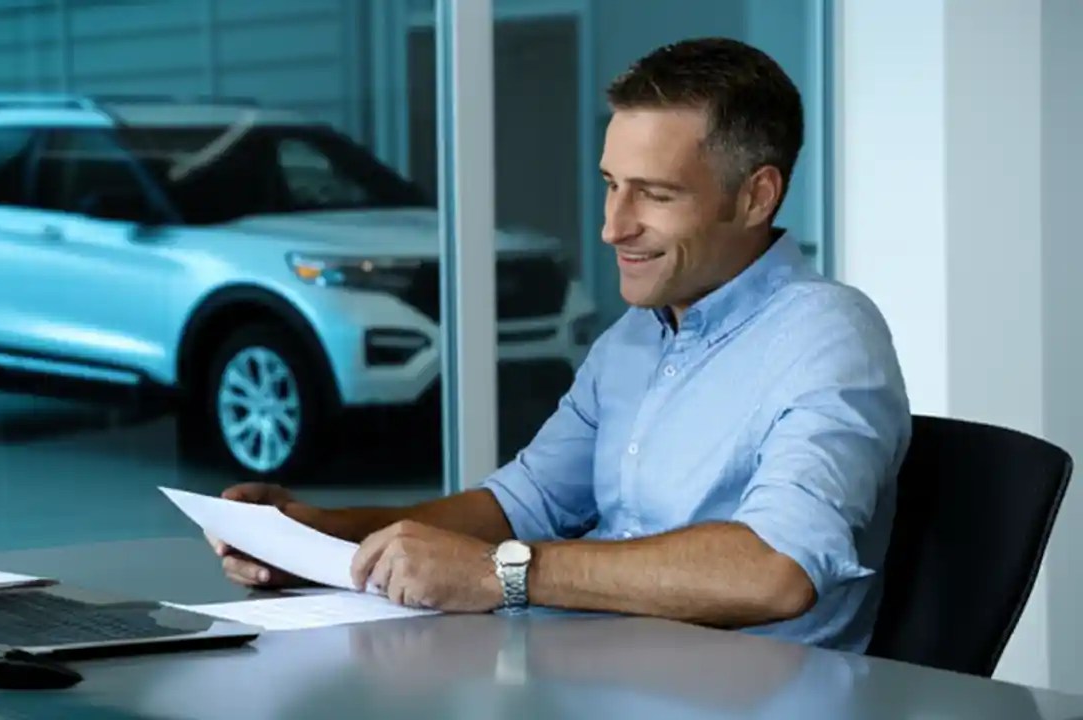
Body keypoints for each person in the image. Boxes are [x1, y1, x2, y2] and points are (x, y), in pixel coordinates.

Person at [206, 37, 910, 652]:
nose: (613, 227)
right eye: (611, 186)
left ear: (756, 198)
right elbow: (519, 506)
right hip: (581, 676)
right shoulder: (635, 338)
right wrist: (316, 536)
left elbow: (774, 571)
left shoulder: (827, 337)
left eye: (656, 195)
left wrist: (501, 573)